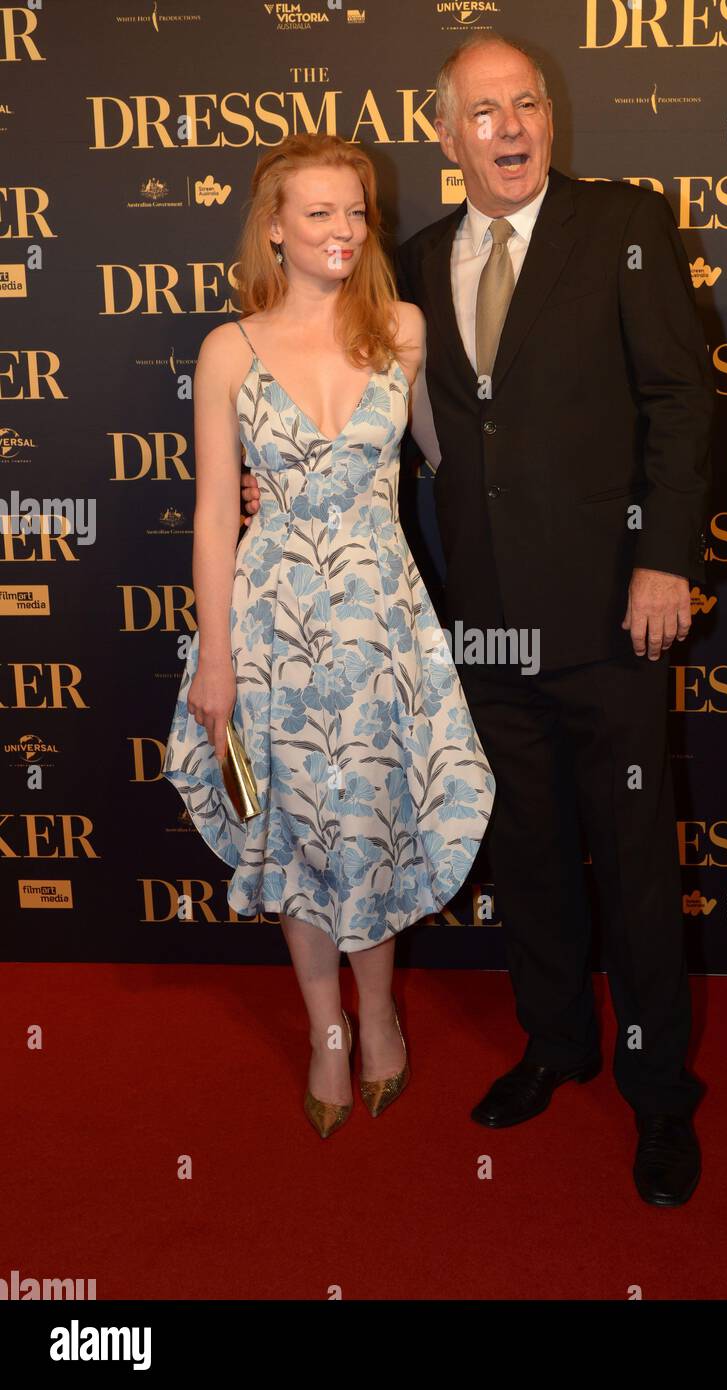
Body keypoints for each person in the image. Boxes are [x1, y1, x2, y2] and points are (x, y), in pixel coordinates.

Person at [245, 34, 715, 1205]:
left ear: (547, 119)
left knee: (640, 870)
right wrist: (277, 477)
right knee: (533, 854)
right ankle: (557, 1044)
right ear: (446, 137)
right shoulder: (403, 270)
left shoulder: (623, 227)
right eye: (483, 113)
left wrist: (665, 561)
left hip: (615, 619)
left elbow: (681, 396)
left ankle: (660, 1098)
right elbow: (366, 420)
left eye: (527, 105)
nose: (510, 128)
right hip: (483, 633)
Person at [163, 132, 495, 1141]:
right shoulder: (230, 347)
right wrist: (214, 656)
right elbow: (216, 512)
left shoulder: (399, 329)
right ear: (274, 226)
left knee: (374, 825)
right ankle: (327, 1033)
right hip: (269, 630)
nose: (345, 229)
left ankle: (382, 1010)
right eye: (320, 212)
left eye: (356, 210)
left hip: (379, 625)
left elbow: (450, 455)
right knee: (299, 835)